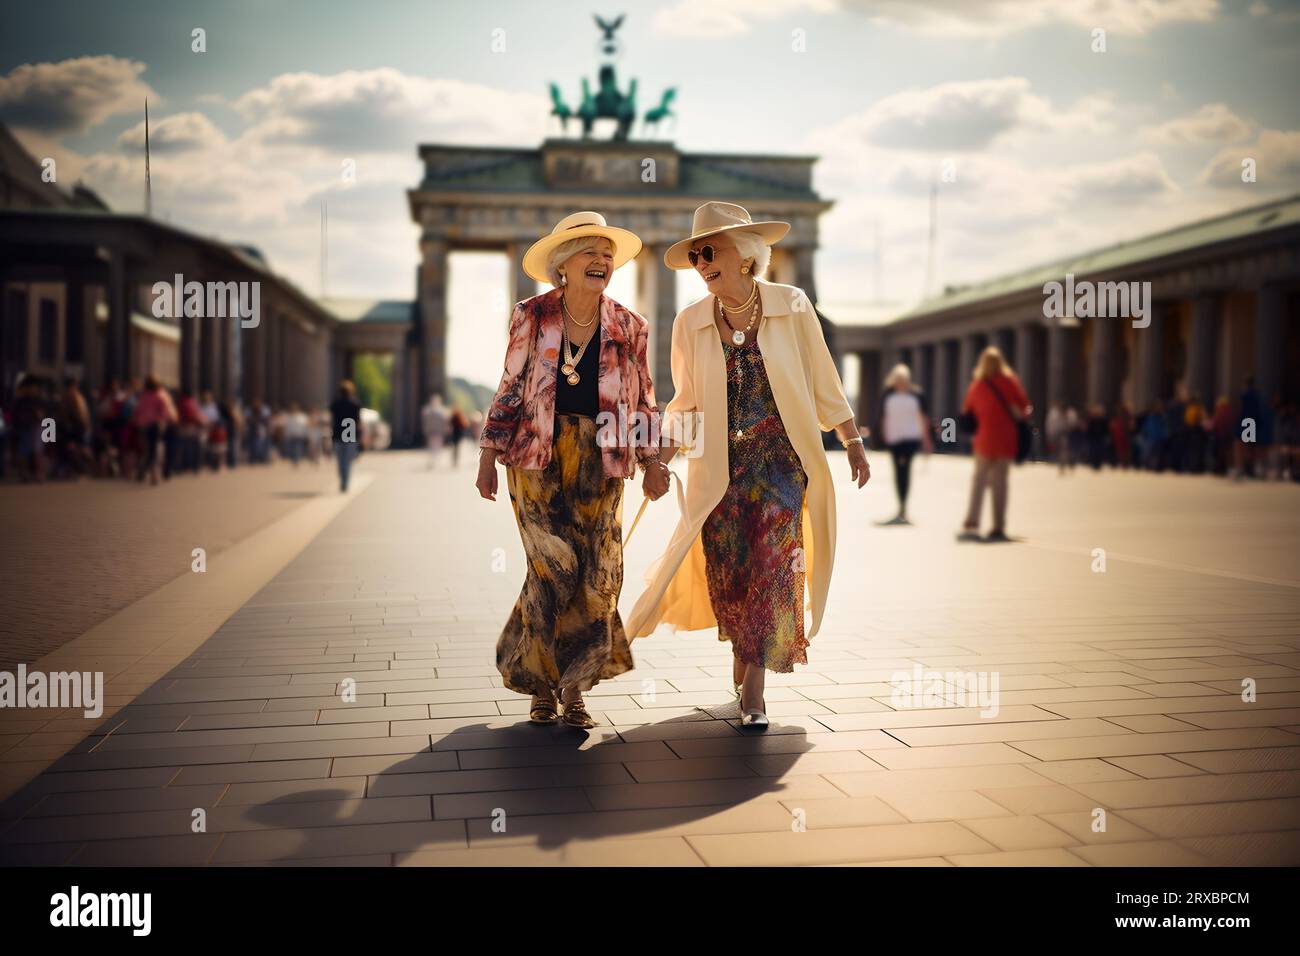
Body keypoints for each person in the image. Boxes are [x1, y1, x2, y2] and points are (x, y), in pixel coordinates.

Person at [626, 202, 870, 731]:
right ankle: (744, 646)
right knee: (733, 573)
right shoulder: (690, 322)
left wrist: (850, 438)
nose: (701, 261)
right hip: (719, 474)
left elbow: (823, 377)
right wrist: (660, 461)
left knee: (773, 566)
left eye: (710, 250)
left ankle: (755, 686)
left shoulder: (792, 304)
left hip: (782, 465)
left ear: (746, 255)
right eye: (695, 254)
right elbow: (685, 402)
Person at [476, 211, 657, 729]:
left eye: (607, 255)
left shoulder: (630, 327)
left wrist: (653, 462)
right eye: (589, 253)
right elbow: (511, 386)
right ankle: (544, 687)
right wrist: (488, 454)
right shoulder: (532, 315)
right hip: (536, 456)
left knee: (598, 579)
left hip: (603, 461)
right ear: (563, 265)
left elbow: (643, 399)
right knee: (555, 570)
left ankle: (572, 686)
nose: (602, 261)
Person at [957, 346, 1032, 542]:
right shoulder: (1010, 382)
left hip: (984, 439)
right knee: (1000, 483)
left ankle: (972, 520)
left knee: (979, 481)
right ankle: (998, 525)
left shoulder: (977, 385)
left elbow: (966, 411)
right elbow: (1025, 407)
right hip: (1006, 439)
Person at [876, 363, 931, 524]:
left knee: (905, 471)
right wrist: (884, 434)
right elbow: (884, 417)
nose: (900, 382)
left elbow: (923, 418)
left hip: (911, 438)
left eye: (902, 379)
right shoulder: (888, 396)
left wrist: (926, 440)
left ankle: (903, 507)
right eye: (897, 379)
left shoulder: (916, 396)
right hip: (894, 439)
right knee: (898, 472)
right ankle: (901, 505)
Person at [132, 375, 178, 485]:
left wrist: (137, 421)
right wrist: (165, 421)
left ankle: (144, 472)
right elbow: (164, 410)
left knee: (148, 449)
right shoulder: (160, 394)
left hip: (143, 425)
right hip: (155, 424)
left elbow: (138, 410)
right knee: (154, 449)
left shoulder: (143, 395)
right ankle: (152, 474)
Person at [330, 380, 363, 492]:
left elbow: (332, 420)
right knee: (347, 461)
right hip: (350, 434)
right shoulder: (355, 404)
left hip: (338, 434)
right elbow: (358, 422)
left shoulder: (335, 404)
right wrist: (360, 437)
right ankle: (345, 481)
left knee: (340, 460)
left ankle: (343, 478)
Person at [421, 394, 450, 469]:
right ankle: (433, 459)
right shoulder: (434, 410)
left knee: (435, 445)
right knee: (433, 445)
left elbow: (445, 421)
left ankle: (435, 459)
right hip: (433, 431)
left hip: (437, 431)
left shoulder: (431, 410)